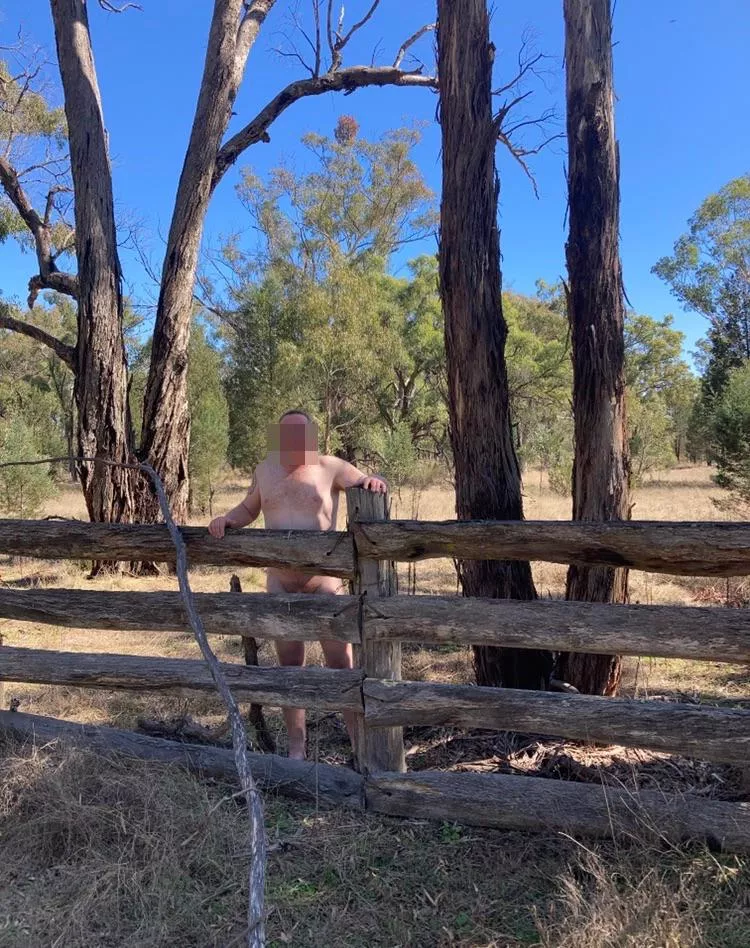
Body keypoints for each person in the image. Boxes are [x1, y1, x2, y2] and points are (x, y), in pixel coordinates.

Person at [208, 409, 387, 759]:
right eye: (286, 434)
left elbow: (367, 481)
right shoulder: (266, 469)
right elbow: (249, 508)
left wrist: (376, 480)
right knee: (290, 667)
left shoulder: (330, 467)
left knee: (341, 665)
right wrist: (227, 520)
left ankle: (359, 744)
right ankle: (296, 748)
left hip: (324, 584)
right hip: (280, 584)